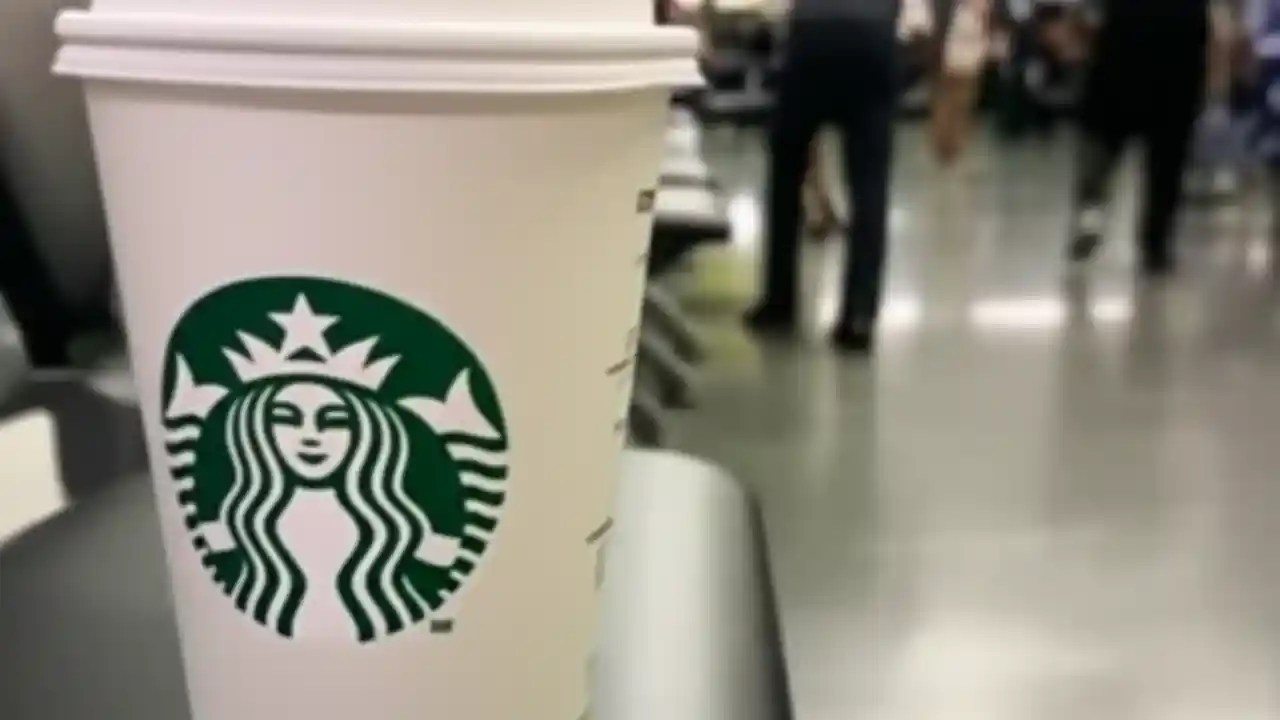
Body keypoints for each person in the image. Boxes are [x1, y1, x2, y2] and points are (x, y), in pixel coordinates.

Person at [746, 0, 903, 353]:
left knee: (786, 174)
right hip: (873, 38)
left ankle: (779, 301)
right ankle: (859, 316)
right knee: (870, 188)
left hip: (813, 36)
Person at [1068, 0, 1225, 274]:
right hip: (1176, 82)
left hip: (1116, 71)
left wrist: (1084, 52)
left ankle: (1090, 213)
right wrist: (1213, 87)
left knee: (1100, 151)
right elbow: (1215, 34)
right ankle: (1155, 247)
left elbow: (1084, 18)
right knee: (1165, 171)